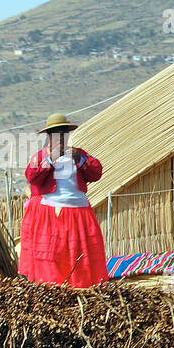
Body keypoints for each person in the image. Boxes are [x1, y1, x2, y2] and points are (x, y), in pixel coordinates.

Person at [18, 113, 109, 288]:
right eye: (56, 133)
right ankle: (53, 286)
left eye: (63, 132)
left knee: (78, 253)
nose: (60, 136)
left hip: (78, 212)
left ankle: (80, 284)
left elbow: (96, 172)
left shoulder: (78, 154)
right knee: (52, 253)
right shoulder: (41, 157)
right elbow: (32, 177)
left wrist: (80, 159)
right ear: (49, 136)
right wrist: (51, 159)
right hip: (51, 212)